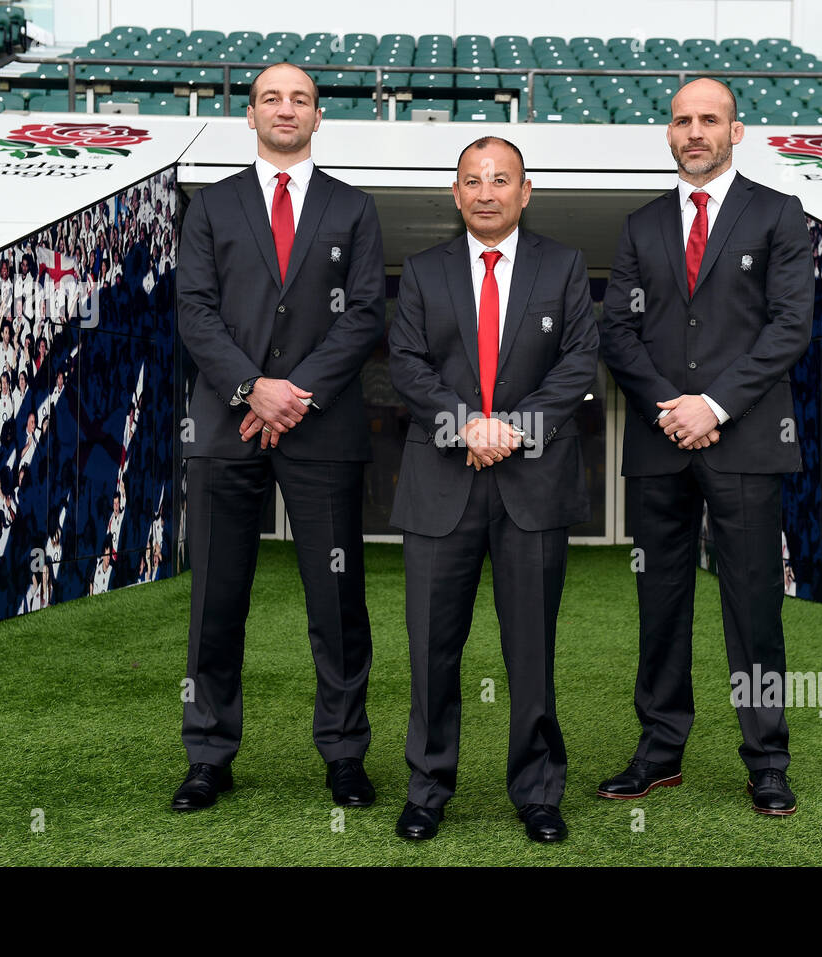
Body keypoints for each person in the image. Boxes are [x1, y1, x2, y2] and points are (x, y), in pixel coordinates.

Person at [596, 78, 814, 816]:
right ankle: (659, 750)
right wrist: (673, 408)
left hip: (745, 442)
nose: (695, 132)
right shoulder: (641, 225)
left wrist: (713, 406)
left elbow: (789, 326)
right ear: (669, 133)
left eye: (709, 119)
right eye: (683, 120)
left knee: (753, 608)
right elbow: (618, 331)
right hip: (661, 442)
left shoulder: (778, 214)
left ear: (735, 131)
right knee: (659, 602)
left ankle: (767, 760)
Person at [173, 62, 386, 813]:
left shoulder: (353, 208)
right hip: (225, 425)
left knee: (337, 601)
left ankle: (345, 754)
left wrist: (292, 394)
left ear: (318, 116)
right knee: (216, 599)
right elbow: (195, 310)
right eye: (271, 98)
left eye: (300, 99)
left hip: (321, 427)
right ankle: (208, 755)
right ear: (251, 115)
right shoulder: (210, 205)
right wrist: (251, 387)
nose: (285, 109)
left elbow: (365, 314)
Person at [388, 136, 599, 843]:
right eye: (473, 181)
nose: (486, 192)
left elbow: (579, 361)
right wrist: (464, 426)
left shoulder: (564, 266)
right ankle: (427, 788)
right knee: (431, 648)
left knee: (531, 649)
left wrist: (512, 428)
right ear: (455, 194)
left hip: (532, 483)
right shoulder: (422, 271)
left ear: (525, 191)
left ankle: (538, 792)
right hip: (439, 484)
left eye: (500, 179)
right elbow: (407, 363)